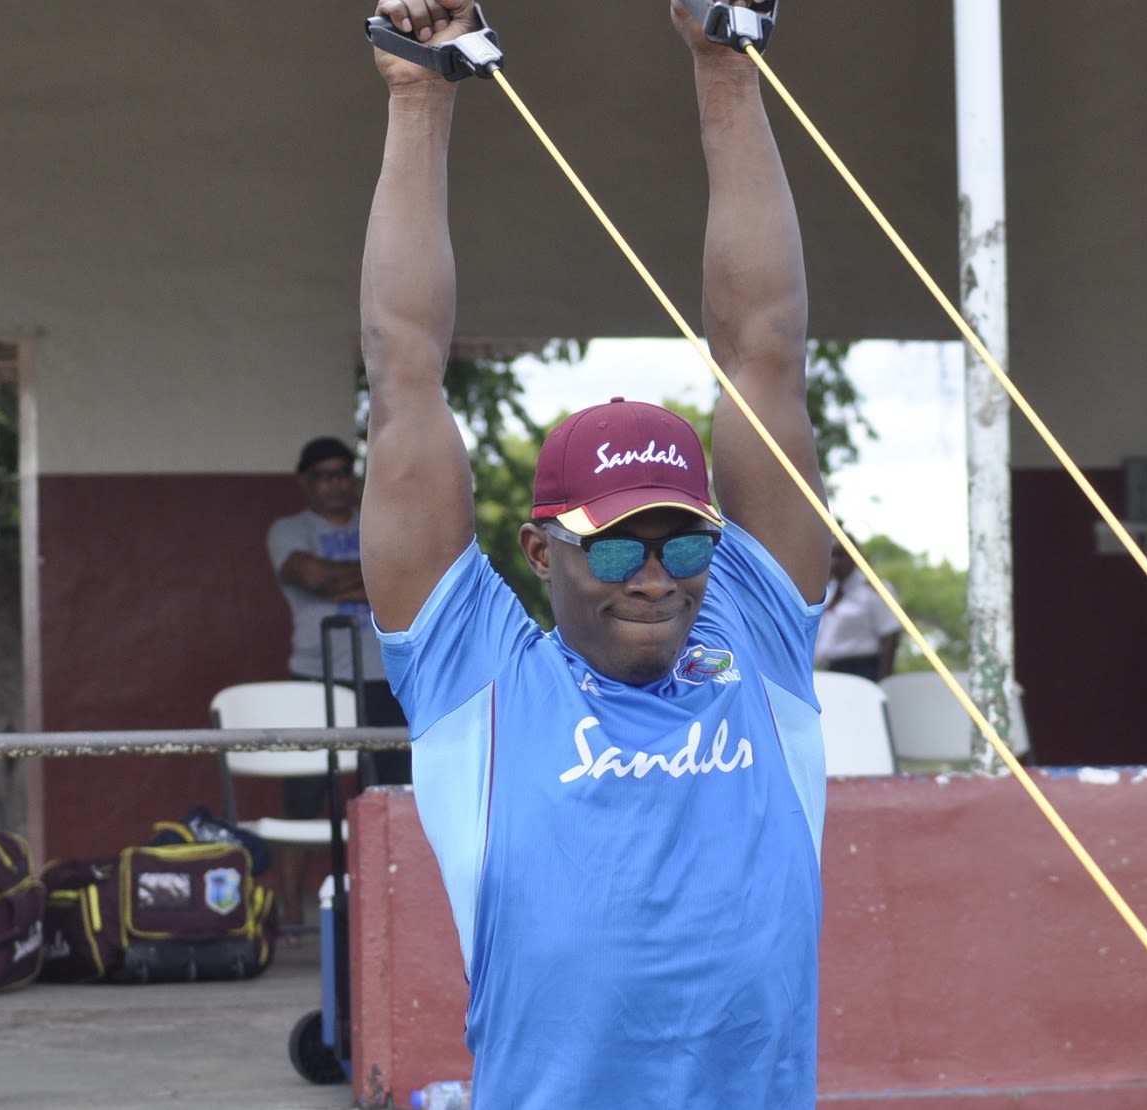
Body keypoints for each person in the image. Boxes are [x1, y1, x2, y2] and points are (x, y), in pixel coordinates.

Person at [361, 1, 831, 1105]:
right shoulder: (476, 676)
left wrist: (724, 63)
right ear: (540, 551)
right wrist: (417, 97)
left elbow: (762, 351)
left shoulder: (753, 637)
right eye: (614, 553)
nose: (656, 577)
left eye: (680, 541)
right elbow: (402, 378)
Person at [266, 435, 410, 926]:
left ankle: (399, 909)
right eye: (324, 476)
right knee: (303, 796)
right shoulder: (288, 530)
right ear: (306, 483)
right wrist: (372, 580)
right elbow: (313, 578)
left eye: (343, 473)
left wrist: (351, 579)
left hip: (384, 677)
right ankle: (290, 914)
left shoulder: (379, 524)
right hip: (315, 675)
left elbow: (407, 575)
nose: (335, 485)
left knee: (396, 792)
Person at [814, 538, 902, 681]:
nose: (835, 562)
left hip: (863, 671)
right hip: (831, 672)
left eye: (841, 555)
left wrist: (884, 683)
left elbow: (891, 635)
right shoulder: (827, 592)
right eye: (831, 555)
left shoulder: (874, 589)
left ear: (855, 556)